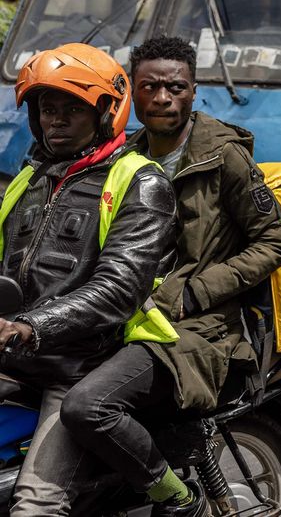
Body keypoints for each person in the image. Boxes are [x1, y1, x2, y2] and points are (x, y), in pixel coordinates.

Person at [58, 36, 281, 516]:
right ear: (131, 93)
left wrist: (196, 291)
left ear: (193, 89)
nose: (163, 98)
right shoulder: (122, 156)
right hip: (129, 316)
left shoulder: (223, 155)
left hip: (199, 329)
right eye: (151, 87)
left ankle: (176, 497)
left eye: (176, 87)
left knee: (88, 407)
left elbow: (276, 241)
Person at [1, 44, 176, 517]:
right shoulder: (31, 179)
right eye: (46, 109)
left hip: (84, 362)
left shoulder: (139, 182)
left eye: (71, 110)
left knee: (34, 507)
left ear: (104, 112)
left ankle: (171, 492)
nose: (55, 121)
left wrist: (29, 327)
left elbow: (118, 288)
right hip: (17, 359)